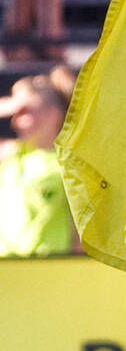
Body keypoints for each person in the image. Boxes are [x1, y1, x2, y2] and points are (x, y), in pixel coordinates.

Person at [0, 67, 77, 256]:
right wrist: (12, 104)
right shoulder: (9, 157)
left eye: (25, 111)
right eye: (14, 112)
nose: (15, 120)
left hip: (51, 271)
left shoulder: (72, 165)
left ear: (53, 113)